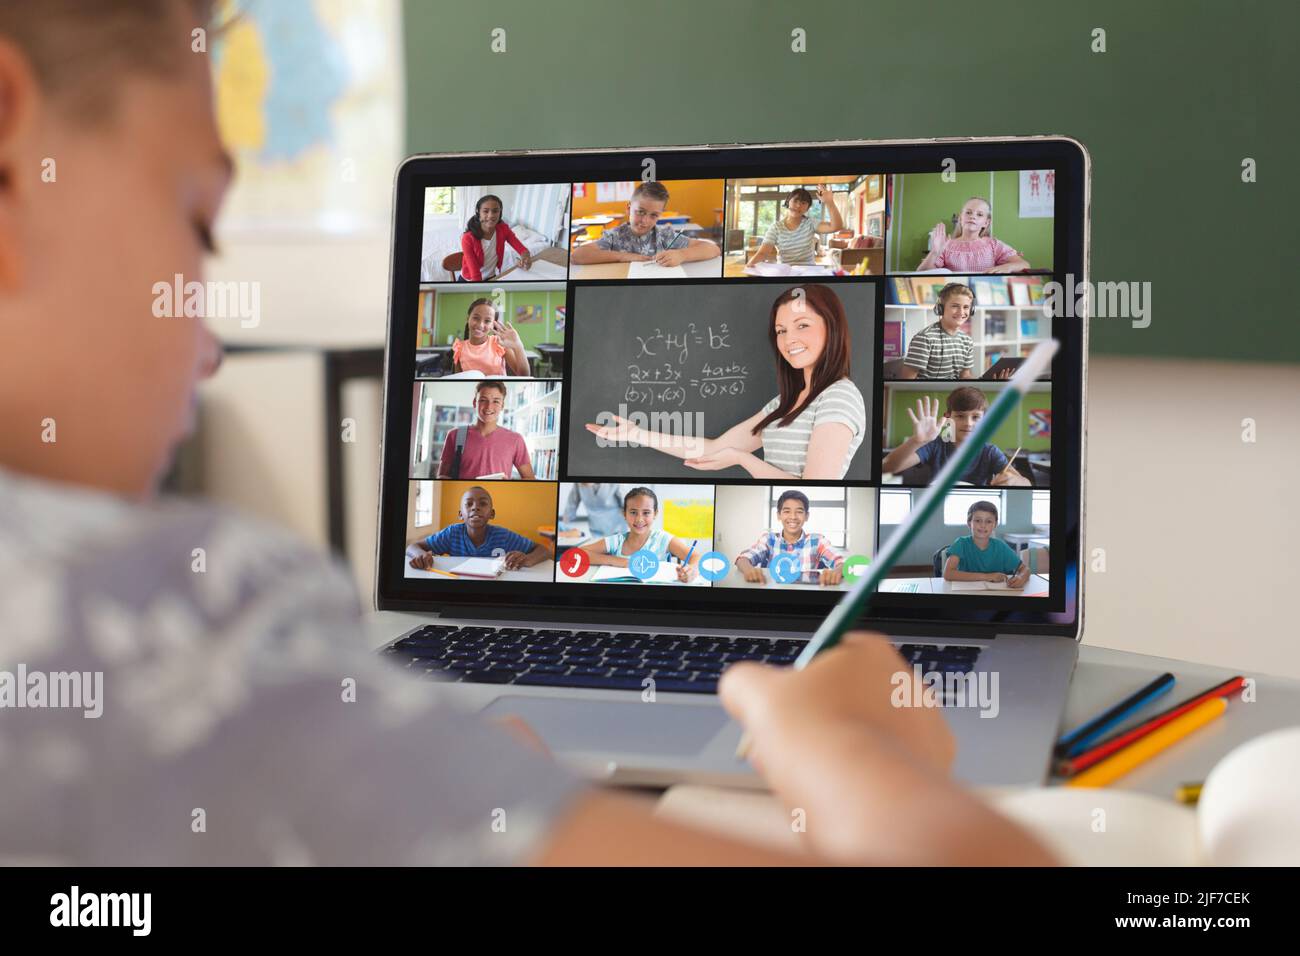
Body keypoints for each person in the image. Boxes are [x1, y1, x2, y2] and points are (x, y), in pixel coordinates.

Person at [0, 0, 1057, 865]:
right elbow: (699, 458)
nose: (210, 343)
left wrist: (432, 775)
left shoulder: (831, 407)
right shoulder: (175, 629)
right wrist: (850, 744)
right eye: (197, 218)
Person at [585, 285, 866, 480]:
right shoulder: (785, 402)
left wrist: (743, 459)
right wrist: (636, 435)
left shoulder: (838, 396)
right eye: (781, 330)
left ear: (832, 327)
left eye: (802, 325)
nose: (788, 339)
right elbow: (714, 448)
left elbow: (814, 488)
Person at [882, 388, 1030, 486]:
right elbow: (886, 467)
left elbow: (1026, 483)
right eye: (960, 416)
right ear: (948, 417)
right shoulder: (936, 445)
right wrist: (915, 441)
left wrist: (1014, 481)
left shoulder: (990, 452)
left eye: (976, 417)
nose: (968, 423)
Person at [570, 180, 720, 269]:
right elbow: (577, 255)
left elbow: (713, 249)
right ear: (629, 208)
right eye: (640, 212)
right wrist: (623, 257)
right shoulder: (615, 236)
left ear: (659, 215)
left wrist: (682, 255)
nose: (645, 221)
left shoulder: (664, 235)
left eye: (653, 215)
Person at [407, 486, 550, 571]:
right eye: (469, 504)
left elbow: (545, 550)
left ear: (492, 514)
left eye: (483, 504)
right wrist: (420, 555)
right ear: (460, 514)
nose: (475, 507)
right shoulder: (452, 534)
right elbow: (412, 546)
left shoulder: (503, 536)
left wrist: (529, 559)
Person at [577, 487, 699, 583]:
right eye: (633, 512)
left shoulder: (662, 539)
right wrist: (619, 561)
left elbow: (695, 556)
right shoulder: (617, 541)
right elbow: (578, 554)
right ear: (624, 513)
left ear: (655, 514)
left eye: (646, 513)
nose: (639, 519)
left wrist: (692, 570)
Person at [735, 490, 844, 587]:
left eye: (799, 512)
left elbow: (842, 561)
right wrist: (749, 570)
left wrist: (838, 571)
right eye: (787, 511)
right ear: (778, 515)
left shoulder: (817, 540)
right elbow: (743, 559)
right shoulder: (769, 539)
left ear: (807, 516)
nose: (793, 517)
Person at [437, 381, 535, 480]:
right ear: (475, 403)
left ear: (502, 405)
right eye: (483, 400)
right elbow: (441, 477)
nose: (489, 407)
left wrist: (510, 485)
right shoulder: (455, 435)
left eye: (496, 401)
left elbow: (530, 479)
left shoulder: (516, 440)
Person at [916, 197, 1030, 274]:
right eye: (968, 212)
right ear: (961, 218)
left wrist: (1007, 267)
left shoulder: (993, 244)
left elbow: (1024, 264)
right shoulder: (947, 245)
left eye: (979, 214)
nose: (973, 217)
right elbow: (921, 273)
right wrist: (935, 251)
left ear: (986, 223)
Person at [746, 184, 843, 267]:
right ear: (788, 202)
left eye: (803, 203)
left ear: (807, 208)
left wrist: (829, 202)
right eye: (795, 201)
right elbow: (763, 253)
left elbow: (836, 226)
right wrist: (750, 265)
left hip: (808, 271)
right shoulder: (776, 227)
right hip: (785, 271)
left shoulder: (810, 223)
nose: (798, 205)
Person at [898, 283, 977, 380]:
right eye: (955, 306)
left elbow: (965, 375)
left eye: (966, 307)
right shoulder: (925, 338)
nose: (961, 312)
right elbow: (906, 380)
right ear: (941, 308)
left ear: (972, 310)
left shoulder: (967, 340)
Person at [943, 501, 1030, 588]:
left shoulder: (1000, 546)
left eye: (988, 521)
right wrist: (987, 576)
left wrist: (1021, 577)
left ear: (995, 524)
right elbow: (948, 573)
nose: (983, 525)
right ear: (969, 523)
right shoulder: (961, 543)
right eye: (978, 521)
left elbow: (1025, 569)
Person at [459, 193, 533, 281]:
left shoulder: (503, 229)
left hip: (491, 276)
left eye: (495, 211)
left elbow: (521, 249)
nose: (491, 216)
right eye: (486, 211)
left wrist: (526, 258)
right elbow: (475, 274)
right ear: (478, 212)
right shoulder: (467, 238)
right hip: (471, 280)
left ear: (500, 212)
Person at [450, 298, 530, 376]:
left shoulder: (500, 343)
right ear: (468, 319)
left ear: (493, 324)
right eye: (476, 318)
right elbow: (459, 379)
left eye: (487, 321)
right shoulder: (459, 347)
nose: (480, 325)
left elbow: (523, 375)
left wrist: (518, 346)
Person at [561, 483, 627, 537]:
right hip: (596, 530)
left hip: (617, 529)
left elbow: (627, 505)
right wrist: (563, 528)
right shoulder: (578, 484)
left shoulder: (614, 484)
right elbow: (571, 505)